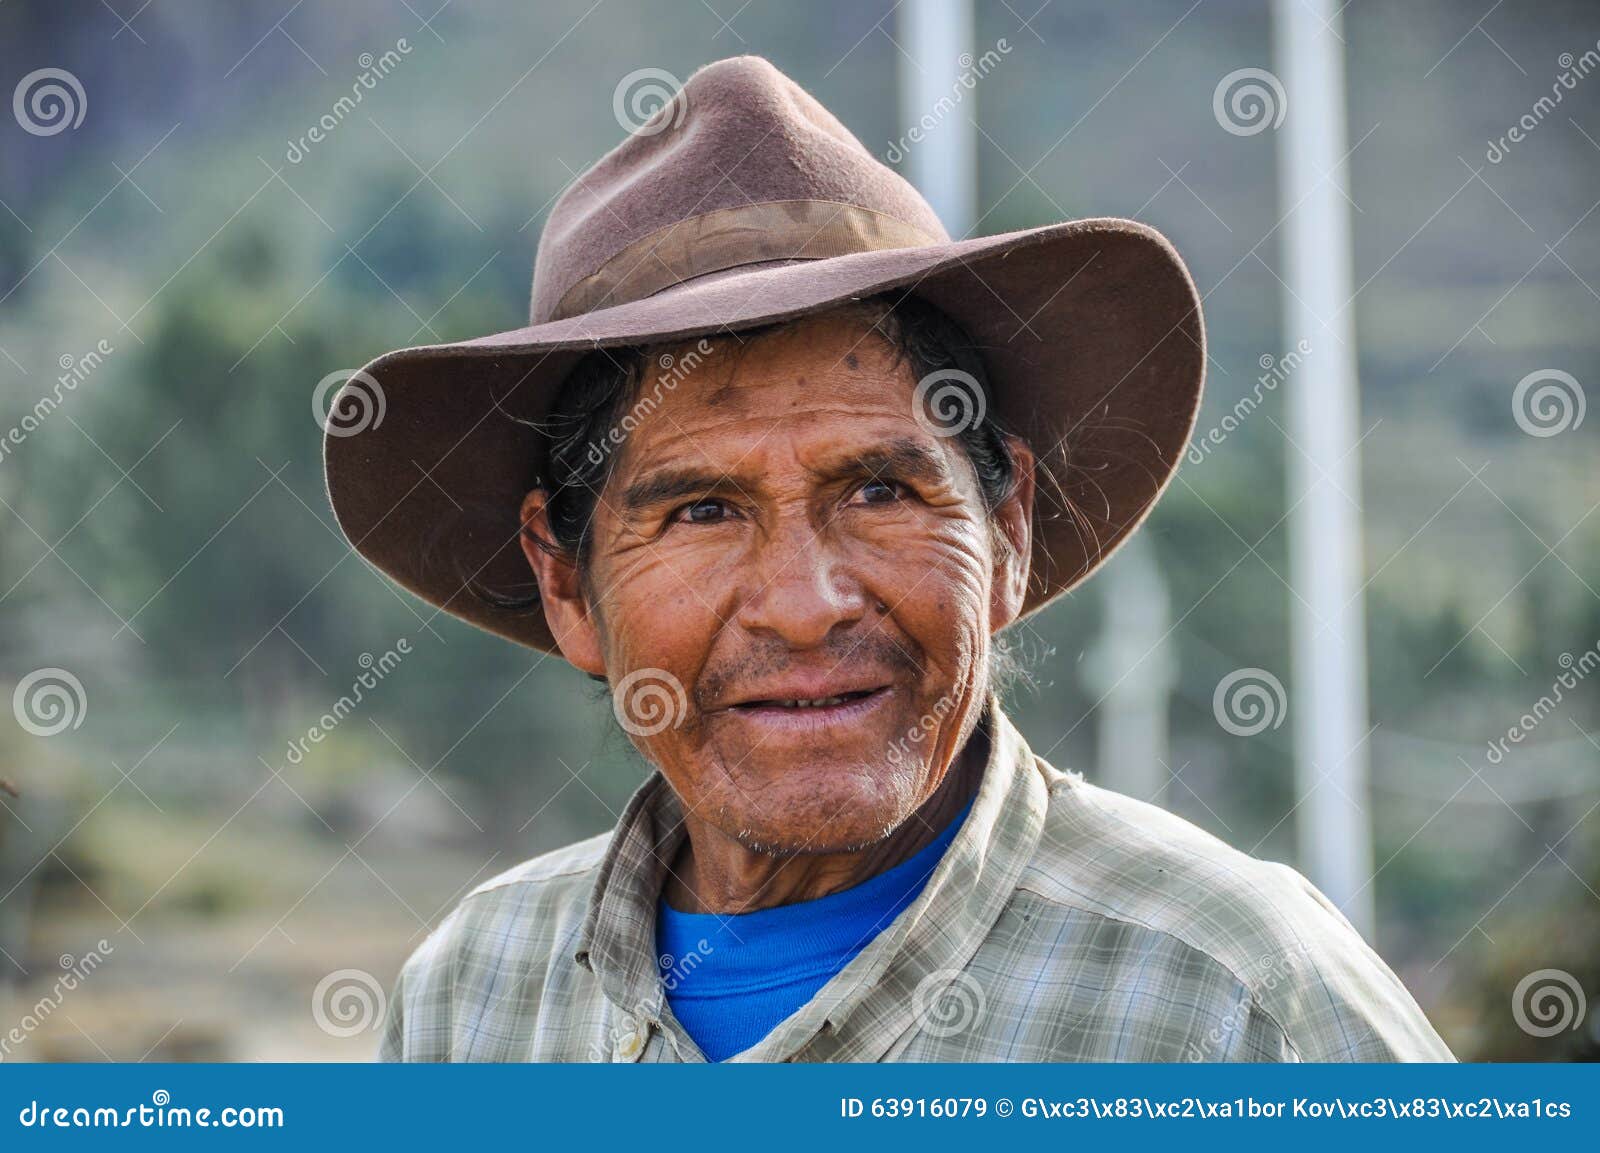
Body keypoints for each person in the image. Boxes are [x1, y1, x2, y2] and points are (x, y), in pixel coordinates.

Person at [324, 56, 1453, 1062]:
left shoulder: (1235, 1002)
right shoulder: (475, 996)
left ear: (1004, 533)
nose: (806, 606)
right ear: (568, 585)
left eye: (879, 490)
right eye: (702, 512)